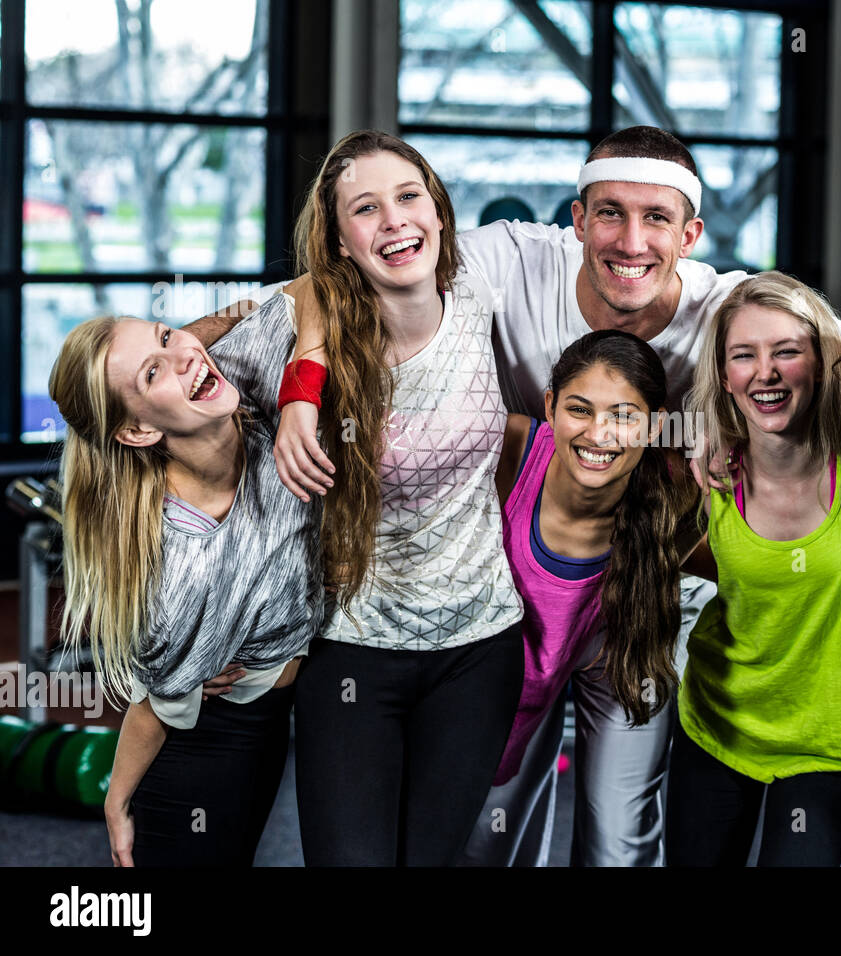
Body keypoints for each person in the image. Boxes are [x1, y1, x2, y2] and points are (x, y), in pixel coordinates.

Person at [272, 126, 841, 866]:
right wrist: (299, 388)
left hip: (645, 596)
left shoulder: (736, 306)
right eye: (610, 215)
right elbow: (327, 280)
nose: (631, 239)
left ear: (691, 237)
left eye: (657, 218)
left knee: (621, 836)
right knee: (491, 824)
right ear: (577, 221)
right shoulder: (505, 259)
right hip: (516, 597)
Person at [288, 129, 525, 866]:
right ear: (338, 244)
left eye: (408, 196)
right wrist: (300, 388)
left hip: (480, 647)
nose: (393, 220)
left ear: (440, 212)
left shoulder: (481, 293)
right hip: (355, 648)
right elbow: (167, 363)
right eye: (366, 208)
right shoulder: (302, 327)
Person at [48, 289, 317, 866]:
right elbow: (157, 708)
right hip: (202, 747)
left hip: (272, 723)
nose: (186, 358)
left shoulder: (236, 382)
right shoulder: (179, 568)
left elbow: (317, 288)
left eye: (167, 334)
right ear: (140, 431)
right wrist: (116, 800)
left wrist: (298, 399)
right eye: (153, 373)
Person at [668, 271, 841, 866]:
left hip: (827, 742)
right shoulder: (707, 476)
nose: (765, 373)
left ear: (822, 359)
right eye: (745, 355)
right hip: (718, 725)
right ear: (724, 375)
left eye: (787, 352)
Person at [461, 330, 703, 865]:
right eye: (579, 409)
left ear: (657, 425)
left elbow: (754, 557)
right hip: (516, 654)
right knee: (482, 835)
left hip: (617, 643)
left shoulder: (678, 490)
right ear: (549, 407)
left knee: (618, 838)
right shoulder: (506, 451)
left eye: (623, 415)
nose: (599, 433)